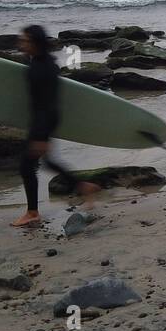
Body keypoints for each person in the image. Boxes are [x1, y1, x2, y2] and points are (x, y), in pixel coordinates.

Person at [11, 25, 99, 226]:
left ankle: (32, 212)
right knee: (48, 162)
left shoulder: (42, 69)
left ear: (35, 43)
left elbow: (47, 103)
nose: (21, 43)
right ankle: (84, 187)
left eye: (24, 40)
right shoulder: (42, 61)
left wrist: (41, 135)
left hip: (43, 120)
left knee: (26, 166)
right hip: (42, 119)